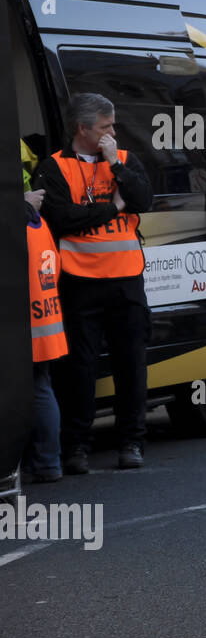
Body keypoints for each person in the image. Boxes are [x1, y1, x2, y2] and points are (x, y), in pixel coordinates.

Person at [35, 92, 153, 471]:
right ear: (82, 129)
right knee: (80, 369)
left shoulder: (123, 159)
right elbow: (64, 219)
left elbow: (143, 199)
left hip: (126, 279)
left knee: (131, 363)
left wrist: (113, 165)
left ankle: (132, 442)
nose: (112, 133)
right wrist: (114, 206)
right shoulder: (53, 167)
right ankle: (77, 447)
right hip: (79, 280)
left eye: (113, 126)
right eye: (105, 127)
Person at [22, 187, 68, 484]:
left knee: (37, 391)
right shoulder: (39, 224)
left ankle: (45, 462)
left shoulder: (19, 225)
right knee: (41, 389)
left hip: (26, 327)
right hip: (46, 322)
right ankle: (47, 461)